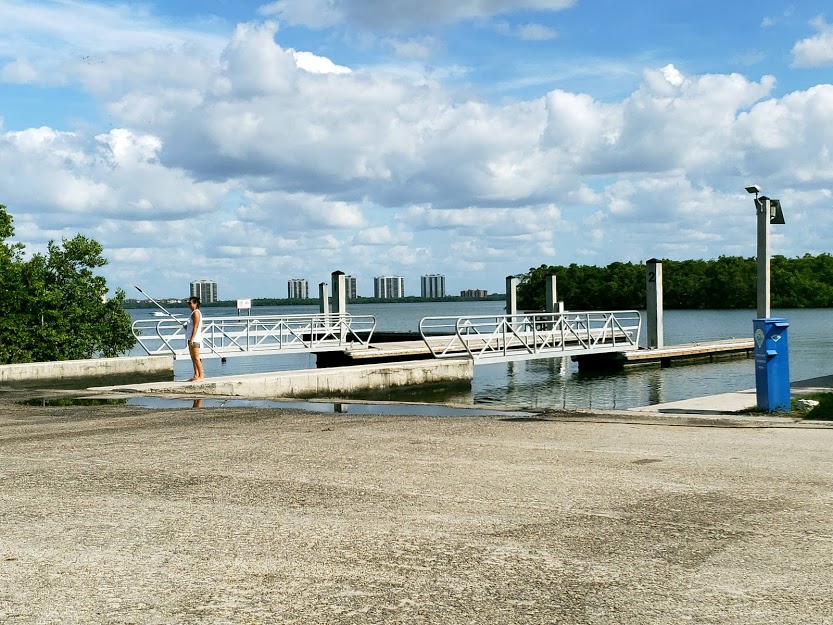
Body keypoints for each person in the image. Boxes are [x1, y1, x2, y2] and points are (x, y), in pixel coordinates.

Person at [185, 296, 204, 381]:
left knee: (196, 358)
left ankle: (201, 375)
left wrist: (192, 339)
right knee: (193, 358)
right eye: (188, 303)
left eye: (190, 303)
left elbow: (196, 327)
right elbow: (191, 326)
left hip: (195, 339)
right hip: (190, 338)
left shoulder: (196, 313)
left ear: (195, 303)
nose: (188, 305)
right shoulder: (192, 313)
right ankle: (195, 375)